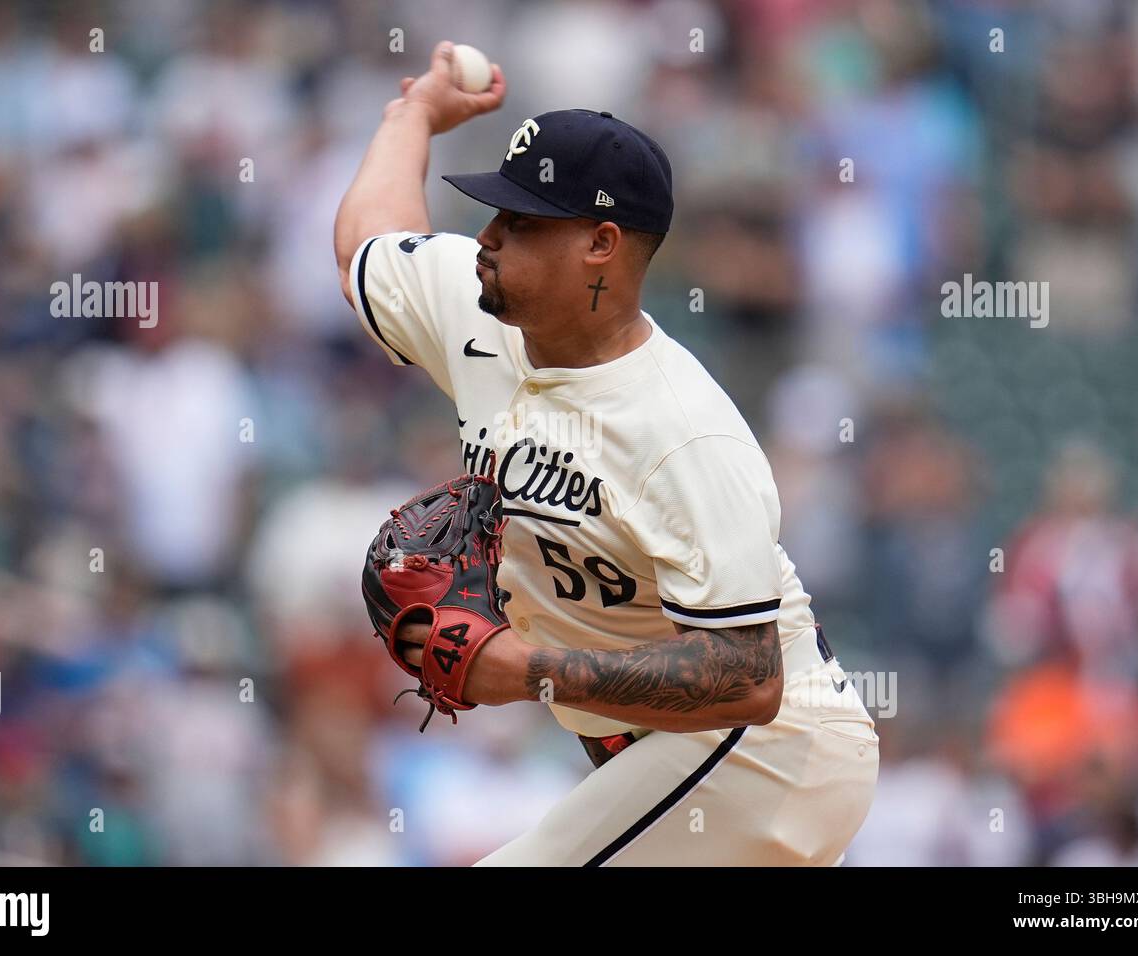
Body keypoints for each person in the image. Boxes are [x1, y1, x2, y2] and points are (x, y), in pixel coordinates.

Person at [333, 41, 878, 866]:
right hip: (666, 750)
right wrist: (413, 117)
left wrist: (525, 671)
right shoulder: (478, 310)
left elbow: (749, 678)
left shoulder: (685, 433)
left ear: (601, 246)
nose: (486, 237)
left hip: (769, 749)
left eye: (519, 222)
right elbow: (366, 245)